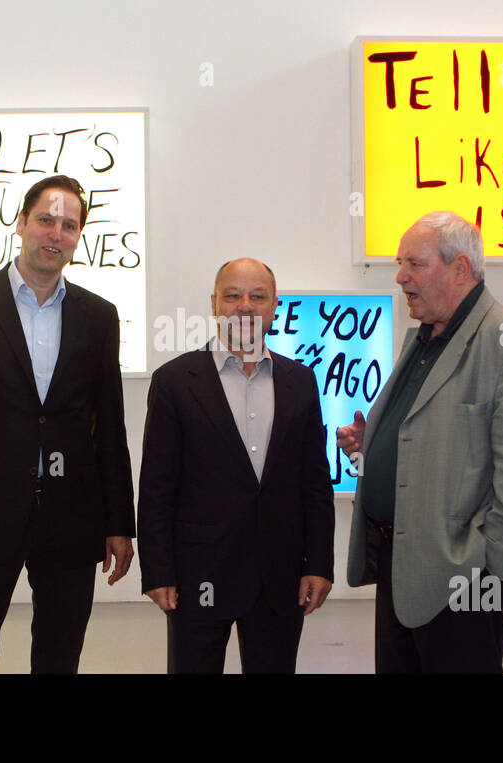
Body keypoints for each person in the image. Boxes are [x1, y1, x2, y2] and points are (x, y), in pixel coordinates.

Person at [0, 174, 135, 674]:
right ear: (20, 224)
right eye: (46, 220)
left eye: (69, 225)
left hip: (71, 519)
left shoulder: (99, 317)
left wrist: (120, 524)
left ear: (79, 237)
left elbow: (110, 428)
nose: (56, 234)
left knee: (59, 659)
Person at [336, 211, 503, 673]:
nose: (400, 277)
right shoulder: (422, 339)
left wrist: (481, 567)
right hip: (401, 568)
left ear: (460, 269)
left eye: (414, 264)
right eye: (400, 263)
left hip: (464, 578)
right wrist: (375, 444)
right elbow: (430, 433)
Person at [137, 258, 336, 673]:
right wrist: (157, 570)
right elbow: (157, 486)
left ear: (275, 305)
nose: (245, 306)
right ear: (214, 303)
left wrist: (319, 563)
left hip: (279, 578)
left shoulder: (300, 381)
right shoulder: (175, 381)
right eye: (233, 295)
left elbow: (315, 485)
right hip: (197, 577)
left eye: (258, 296)